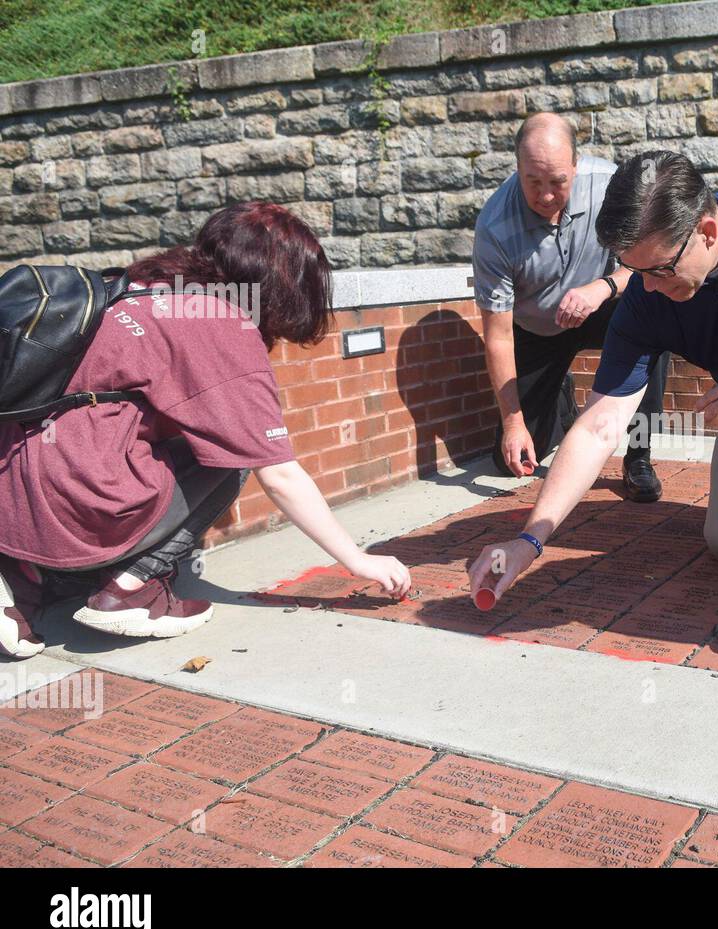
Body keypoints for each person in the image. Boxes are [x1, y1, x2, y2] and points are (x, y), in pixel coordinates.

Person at [0, 201, 411, 660]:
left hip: (14, 487)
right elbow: (279, 474)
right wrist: (357, 560)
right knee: (236, 459)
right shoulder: (219, 322)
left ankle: (21, 579)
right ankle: (131, 591)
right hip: (79, 493)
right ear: (282, 284)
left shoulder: (145, 285)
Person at [468, 150, 718, 601]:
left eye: (660, 269)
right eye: (637, 272)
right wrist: (529, 541)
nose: (651, 287)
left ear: (708, 231)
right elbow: (599, 427)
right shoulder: (645, 296)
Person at [473, 112, 668, 499]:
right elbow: (497, 336)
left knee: (654, 316)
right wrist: (513, 424)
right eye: (533, 182)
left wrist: (602, 287)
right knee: (511, 460)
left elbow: (651, 263)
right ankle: (558, 393)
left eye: (558, 182)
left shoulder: (609, 185)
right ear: (517, 167)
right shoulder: (494, 227)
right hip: (538, 330)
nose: (546, 196)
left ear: (576, 166)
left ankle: (639, 456)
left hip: (603, 307)